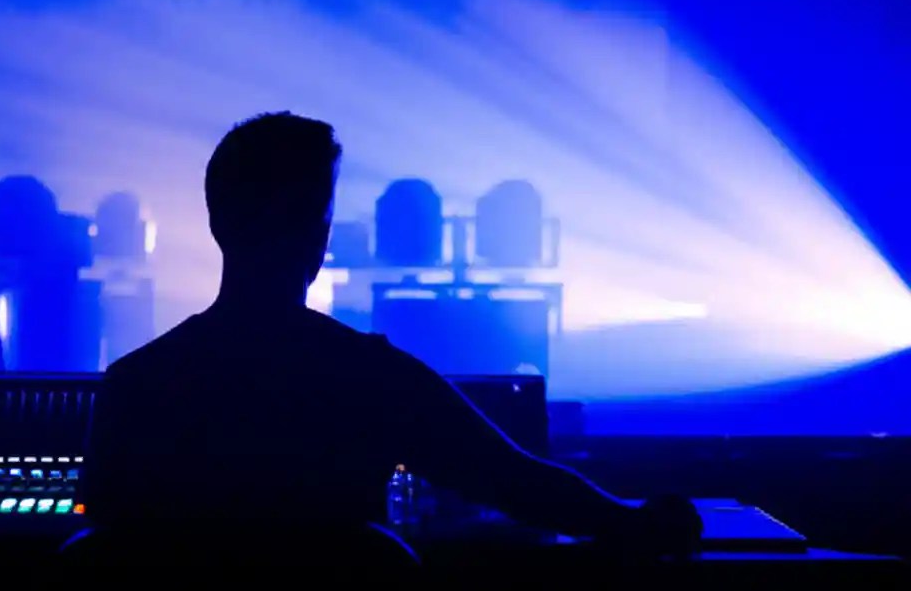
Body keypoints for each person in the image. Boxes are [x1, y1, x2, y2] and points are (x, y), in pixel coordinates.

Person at [81, 112, 700, 564]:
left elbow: (103, 539)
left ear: (217, 223)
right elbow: (516, 483)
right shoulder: (368, 377)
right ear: (319, 235)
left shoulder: (135, 384)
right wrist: (638, 522)